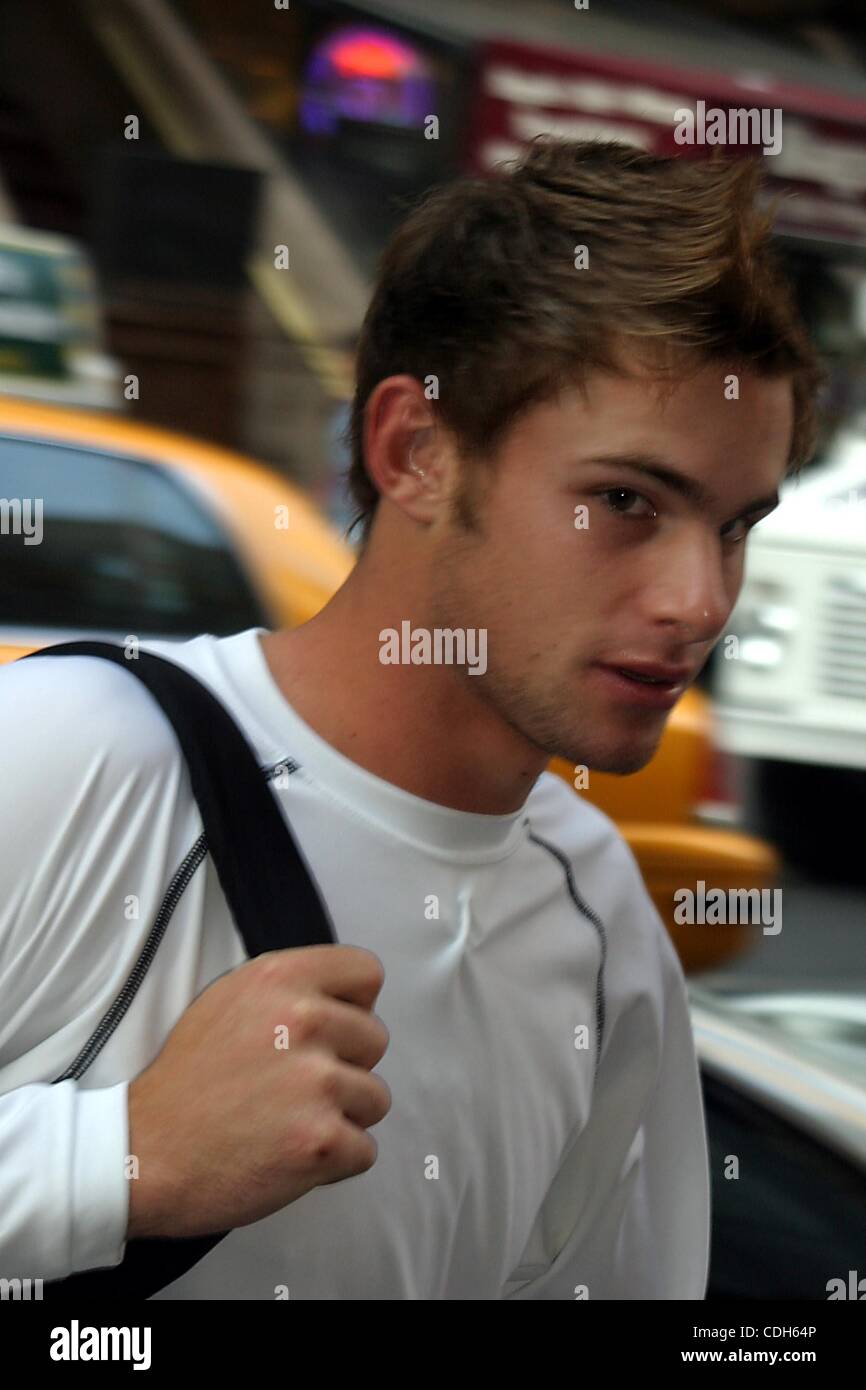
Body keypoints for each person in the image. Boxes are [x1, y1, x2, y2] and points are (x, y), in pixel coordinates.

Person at [0, 139, 820, 1299]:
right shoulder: (63, 754)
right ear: (414, 450)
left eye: (733, 526)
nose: (697, 600)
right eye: (624, 502)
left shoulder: (601, 925)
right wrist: (121, 1158)